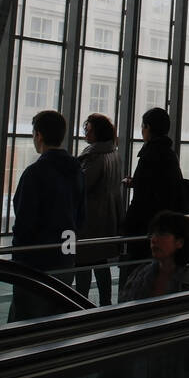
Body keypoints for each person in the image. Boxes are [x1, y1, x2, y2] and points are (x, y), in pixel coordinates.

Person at [117, 211, 189, 378]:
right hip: (139, 374)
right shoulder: (141, 275)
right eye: (153, 234)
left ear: (180, 243)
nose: (154, 239)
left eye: (162, 234)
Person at [11, 110, 86, 320]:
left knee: (26, 323)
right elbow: (81, 217)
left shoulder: (35, 173)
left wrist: (19, 257)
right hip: (65, 258)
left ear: (39, 135)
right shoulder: (76, 171)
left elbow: (25, 221)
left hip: (36, 262)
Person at [121, 108, 184, 290]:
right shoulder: (170, 154)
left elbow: (142, 198)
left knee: (138, 277)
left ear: (148, 127)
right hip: (162, 225)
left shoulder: (148, 155)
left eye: (142, 126)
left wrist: (127, 224)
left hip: (146, 228)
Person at [74, 113, 124, 306]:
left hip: (90, 221)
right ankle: (105, 304)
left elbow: (82, 185)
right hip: (108, 218)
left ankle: (79, 304)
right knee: (101, 263)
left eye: (88, 127)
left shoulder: (95, 156)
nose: (86, 130)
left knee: (83, 263)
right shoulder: (114, 153)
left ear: (97, 131)